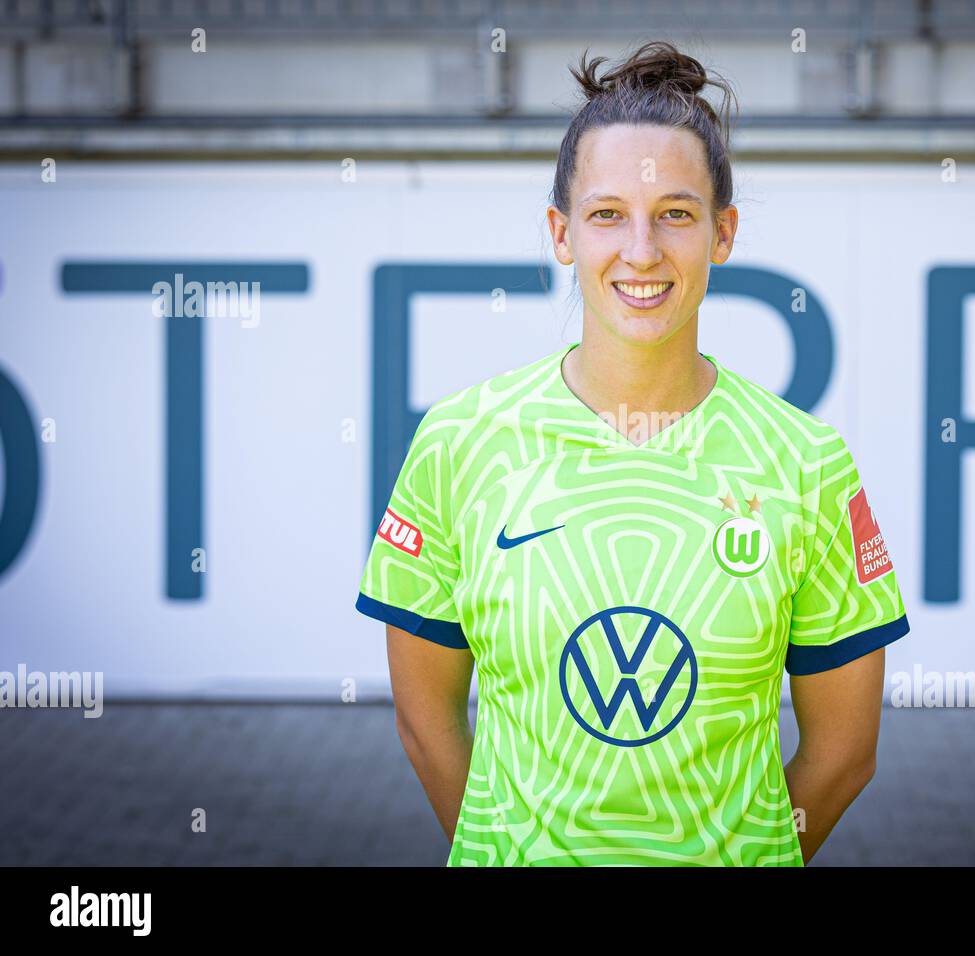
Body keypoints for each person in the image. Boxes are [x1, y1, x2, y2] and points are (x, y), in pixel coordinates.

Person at [355, 39, 909, 866]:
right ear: (562, 233)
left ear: (722, 233)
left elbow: (844, 754)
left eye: (676, 214)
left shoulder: (807, 462)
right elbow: (426, 722)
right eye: (607, 213)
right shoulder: (460, 442)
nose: (642, 250)